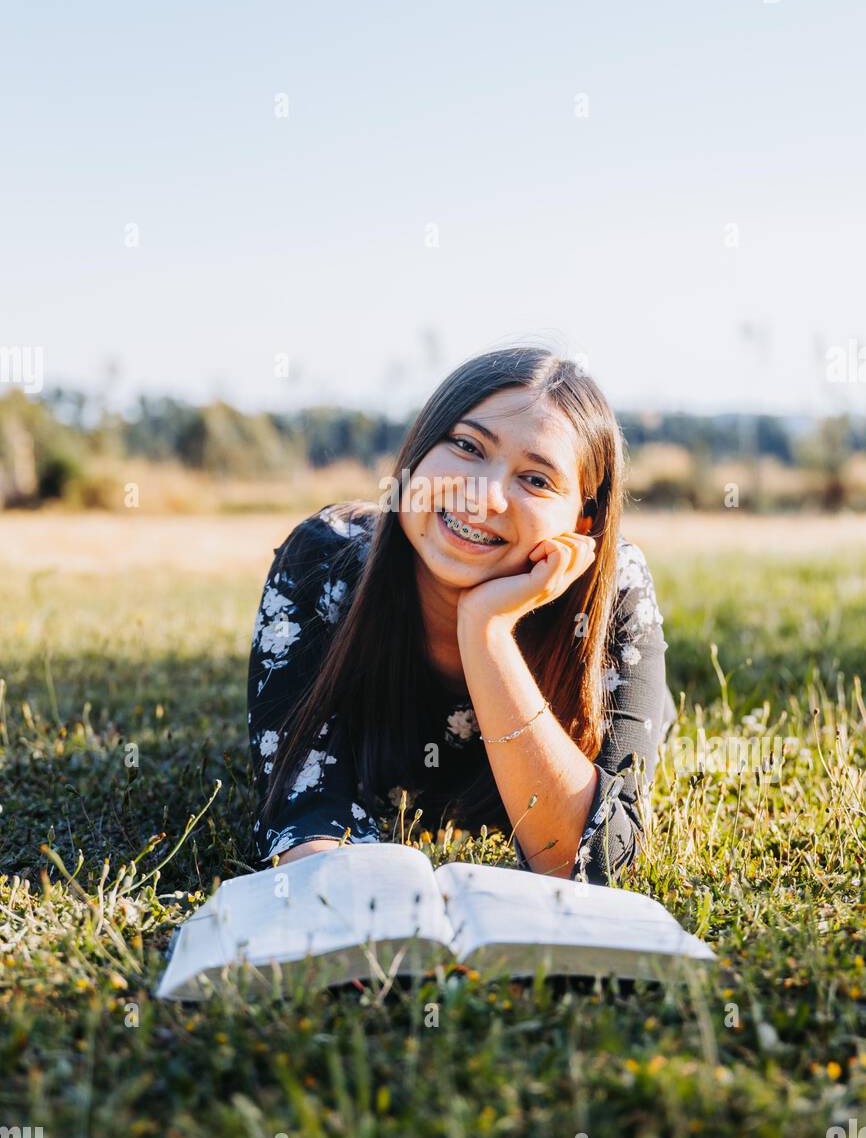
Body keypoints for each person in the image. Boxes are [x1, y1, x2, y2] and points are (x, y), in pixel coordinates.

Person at [247, 346, 676, 886]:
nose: (486, 496)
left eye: (537, 479)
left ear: (583, 518)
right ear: (418, 455)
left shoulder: (612, 592)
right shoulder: (322, 561)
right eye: (468, 446)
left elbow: (585, 857)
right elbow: (302, 816)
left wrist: (487, 630)